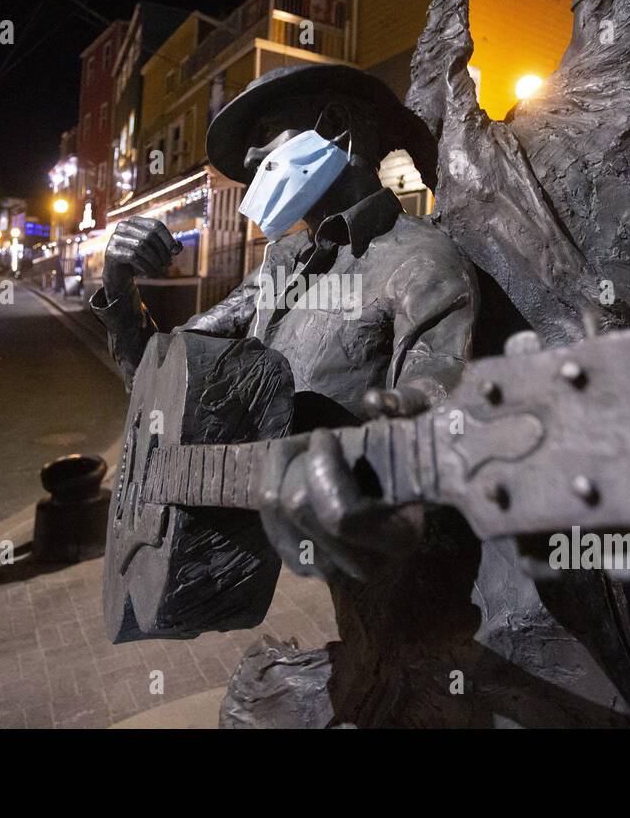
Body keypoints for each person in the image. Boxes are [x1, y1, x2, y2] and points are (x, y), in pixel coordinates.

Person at [92, 63, 479, 725]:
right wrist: (119, 290)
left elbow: (439, 433)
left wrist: (362, 467)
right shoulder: (279, 266)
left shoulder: (421, 264)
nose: (246, 162)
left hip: (405, 596)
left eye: (263, 136)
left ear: (331, 128)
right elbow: (166, 383)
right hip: (331, 582)